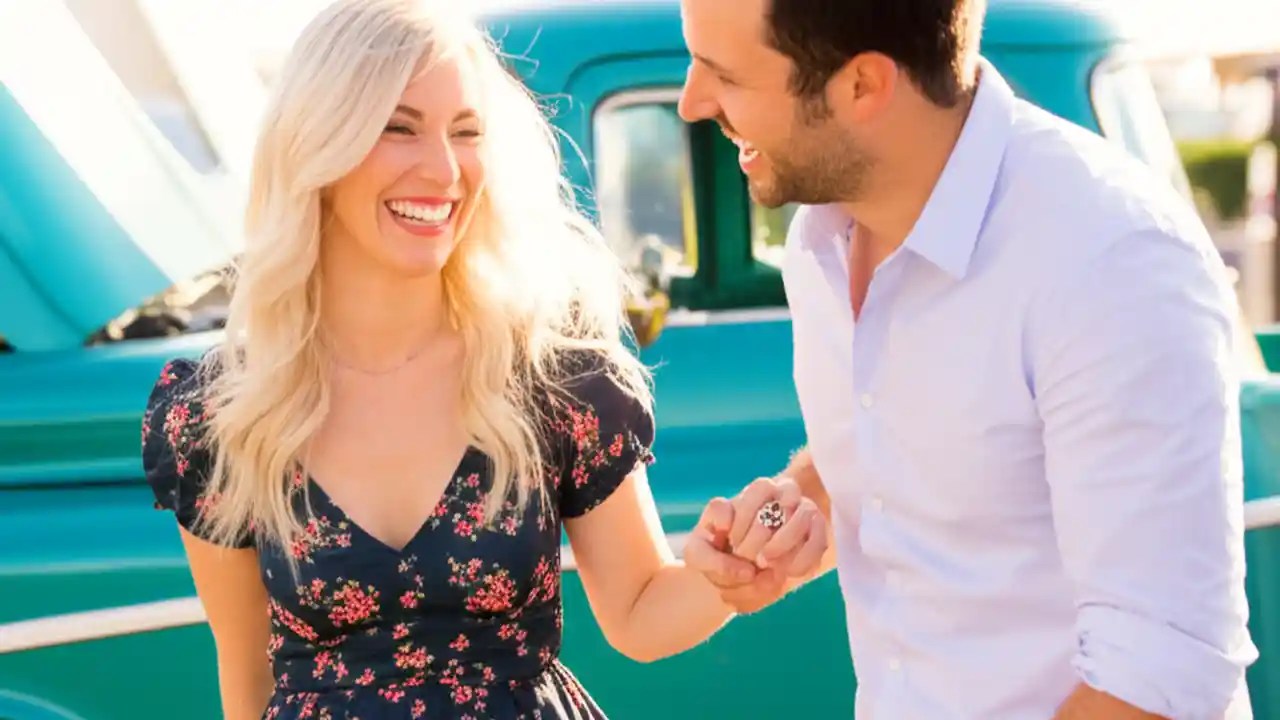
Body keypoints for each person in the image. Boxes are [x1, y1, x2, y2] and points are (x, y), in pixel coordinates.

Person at [139, 1, 826, 718]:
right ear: (317, 145)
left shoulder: (552, 378)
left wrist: (728, 573)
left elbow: (641, 610)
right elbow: (249, 683)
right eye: (399, 128)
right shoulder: (221, 413)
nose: (443, 170)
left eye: (466, 134)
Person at [675, 0, 1258, 718]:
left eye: (724, 75)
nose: (692, 101)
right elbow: (918, 437)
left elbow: (1157, 679)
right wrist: (799, 511)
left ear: (863, 85)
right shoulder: (817, 241)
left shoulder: (1112, 258)